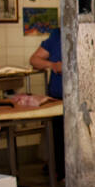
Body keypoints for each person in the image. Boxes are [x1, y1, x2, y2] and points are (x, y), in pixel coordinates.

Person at [29, 26, 65, 178]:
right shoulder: (57, 35)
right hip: (58, 98)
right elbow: (34, 60)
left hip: (84, 100)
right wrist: (53, 65)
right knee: (58, 136)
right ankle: (59, 171)